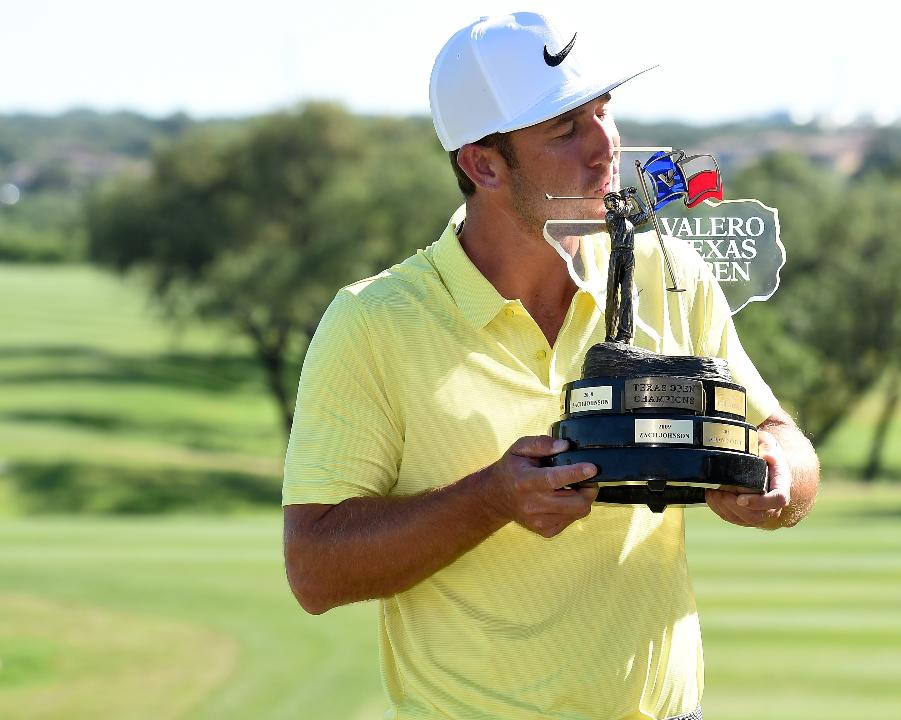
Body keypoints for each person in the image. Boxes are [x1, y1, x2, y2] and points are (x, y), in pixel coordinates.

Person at [282, 12, 820, 720]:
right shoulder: (373, 322)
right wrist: (489, 500)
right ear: (483, 164)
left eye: (604, 113)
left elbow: (782, 436)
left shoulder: (671, 273)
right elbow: (315, 569)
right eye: (565, 130)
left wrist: (778, 475)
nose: (606, 148)